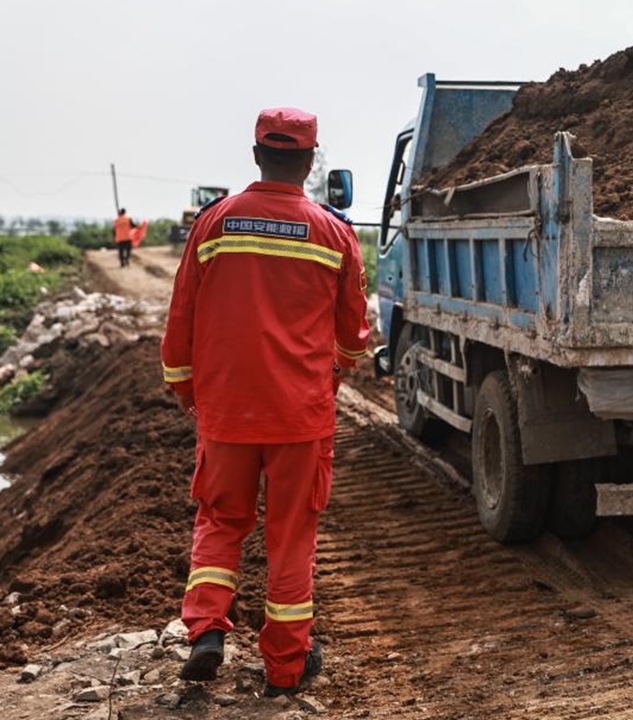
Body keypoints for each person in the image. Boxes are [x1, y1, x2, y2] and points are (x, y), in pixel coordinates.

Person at [160, 107, 370, 696]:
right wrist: (335, 376)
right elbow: (354, 331)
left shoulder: (214, 224)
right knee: (291, 535)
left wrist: (184, 385)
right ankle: (284, 668)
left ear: (256, 155)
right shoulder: (333, 234)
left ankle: (205, 629)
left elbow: (183, 314)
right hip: (300, 417)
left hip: (226, 411)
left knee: (222, 520)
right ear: (309, 161)